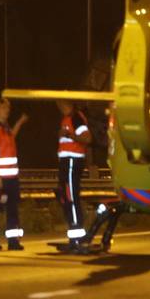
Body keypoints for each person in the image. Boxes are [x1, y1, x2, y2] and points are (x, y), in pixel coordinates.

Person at [0, 98, 28, 251]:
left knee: (12, 208)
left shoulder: (5, 128)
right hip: (0, 177)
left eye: (8, 108)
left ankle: (13, 241)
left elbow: (12, 136)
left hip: (11, 177)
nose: (7, 111)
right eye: (3, 108)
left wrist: (20, 122)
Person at [56, 100, 91, 251]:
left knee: (71, 197)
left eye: (62, 105)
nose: (60, 108)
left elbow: (87, 138)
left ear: (69, 104)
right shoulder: (66, 119)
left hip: (72, 161)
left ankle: (77, 235)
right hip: (65, 162)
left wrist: (70, 135)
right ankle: (74, 233)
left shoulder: (76, 118)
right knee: (64, 196)